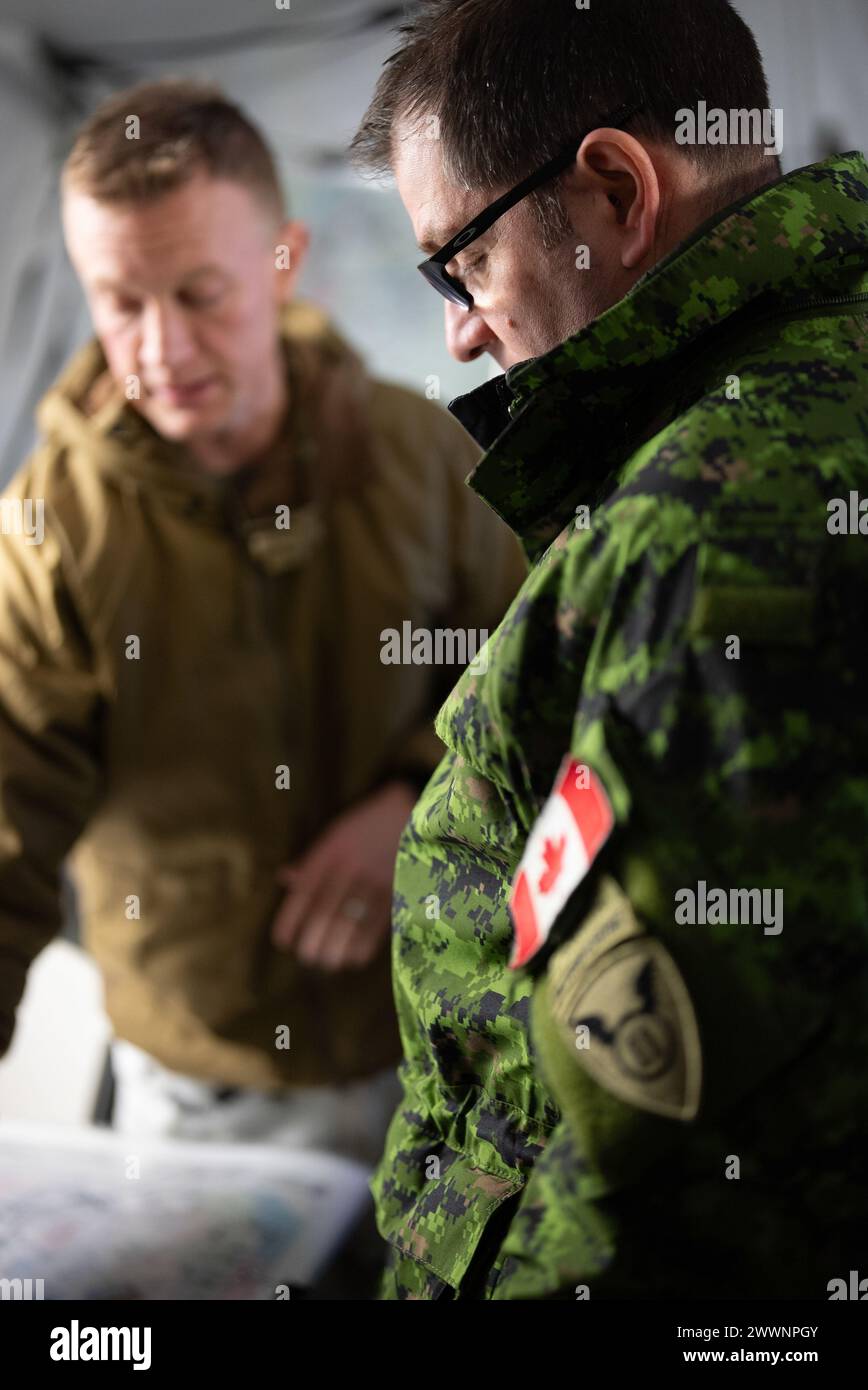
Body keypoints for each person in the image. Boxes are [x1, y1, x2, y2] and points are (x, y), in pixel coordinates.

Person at [350, 0, 868, 1298]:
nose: (460, 330)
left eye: (456, 264)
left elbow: (645, 1164)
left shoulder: (705, 532)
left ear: (616, 190)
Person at [0, 79, 526, 1169]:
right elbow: (9, 818)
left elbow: (532, 680)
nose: (159, 349)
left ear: (282, 258)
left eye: (199, 293)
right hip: (196, 1085)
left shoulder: (420, 457)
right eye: (118, 301)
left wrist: (417, 803)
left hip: (435, 1034)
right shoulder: (45, 534)